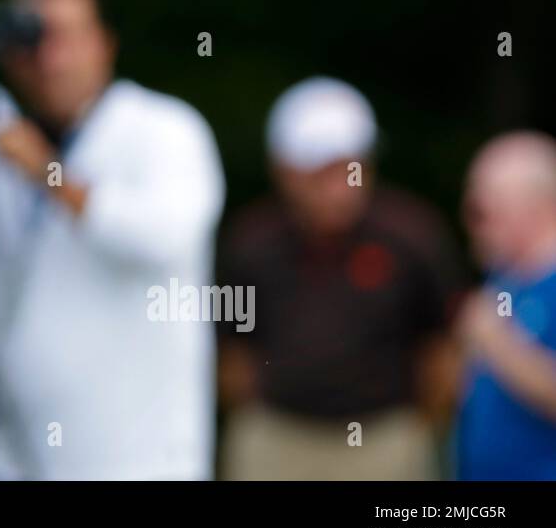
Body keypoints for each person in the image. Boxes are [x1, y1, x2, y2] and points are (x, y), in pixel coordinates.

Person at [0, 0, 225, 479]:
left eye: (63, 36)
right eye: (30, 38)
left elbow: (162, 235)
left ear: (104, 43)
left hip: (138, 464)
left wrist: (47, 173)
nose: (47, 58)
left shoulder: (163, 128)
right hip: (12, 458)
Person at [219, 77, 463, 480]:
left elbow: (440, 349)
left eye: (351, 167)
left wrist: (414, 430)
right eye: (322, 171)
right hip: (276, 441)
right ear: (285, 171)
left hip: (386, 443)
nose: (340, 187)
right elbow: (232, 353)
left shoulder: (413, 234)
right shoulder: (251, 242)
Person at [456, 131, 556, 479]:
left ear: (535, 206)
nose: (472, 223)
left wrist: (498, 342)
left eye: (483, 210)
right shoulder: (503, 277)